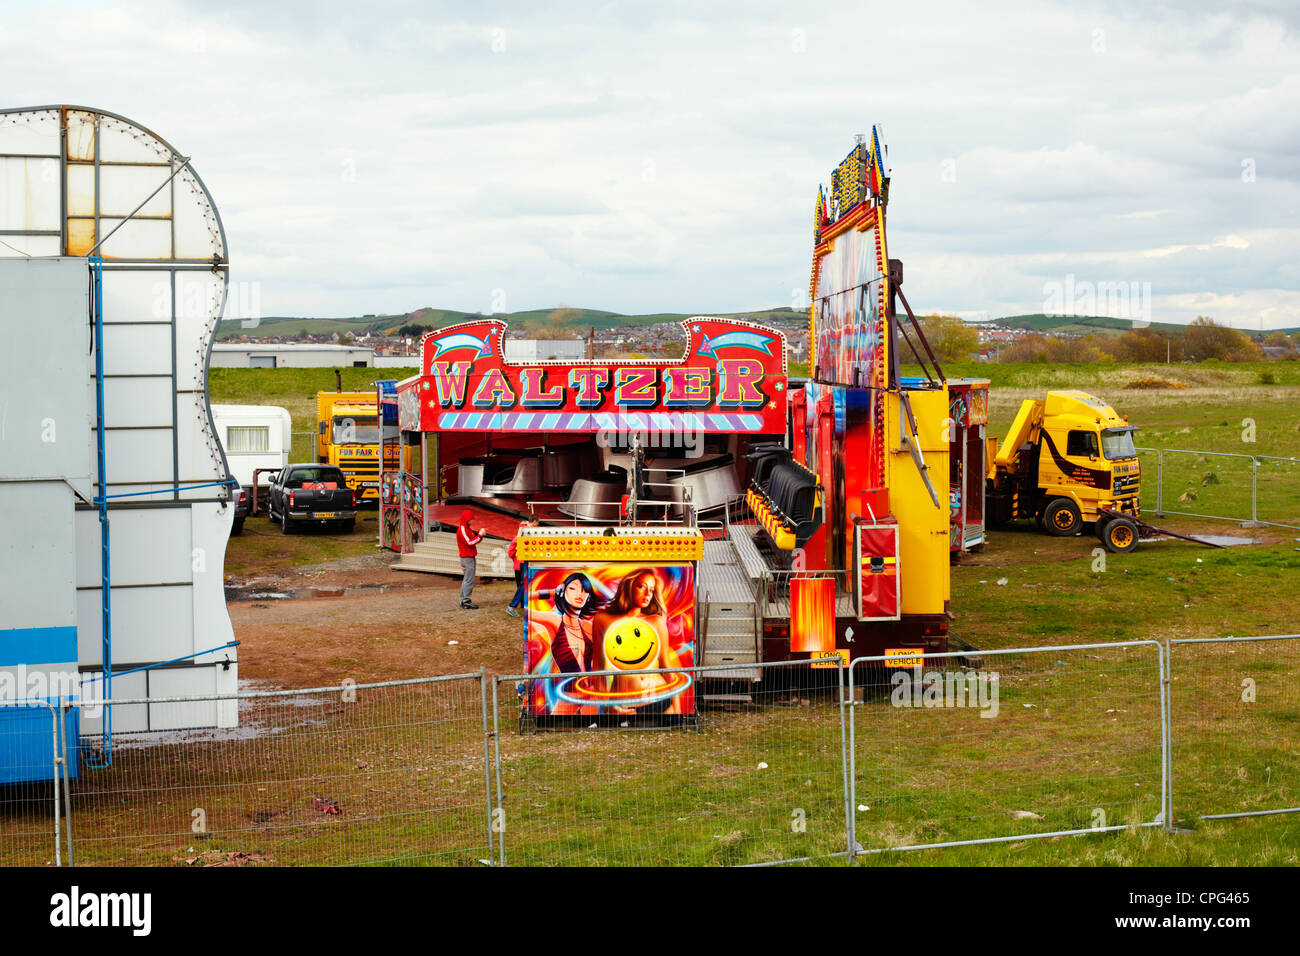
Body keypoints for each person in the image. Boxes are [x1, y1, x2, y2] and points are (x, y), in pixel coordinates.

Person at [505, 516, 538, 617]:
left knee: (521, 585)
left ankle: (522, 604)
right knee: (523, 584)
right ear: (534, 522)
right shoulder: (526, 534)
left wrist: (514, 558)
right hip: (523, 562)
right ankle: (512, 606)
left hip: (518, 563)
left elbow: (511, 550)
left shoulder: (521, 532)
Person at [456, 509, 486, 609]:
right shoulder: (463, 529)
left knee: (468, 579)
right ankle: (466, 600)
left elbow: (473, 540)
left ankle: (464, 599)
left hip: (469, 556)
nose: (472, 521)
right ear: (466, 519)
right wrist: (480, 535)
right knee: (469, 579)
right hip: (466, 557)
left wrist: (480, 536)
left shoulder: (466, 529)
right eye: (471, 520)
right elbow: (469, 542)